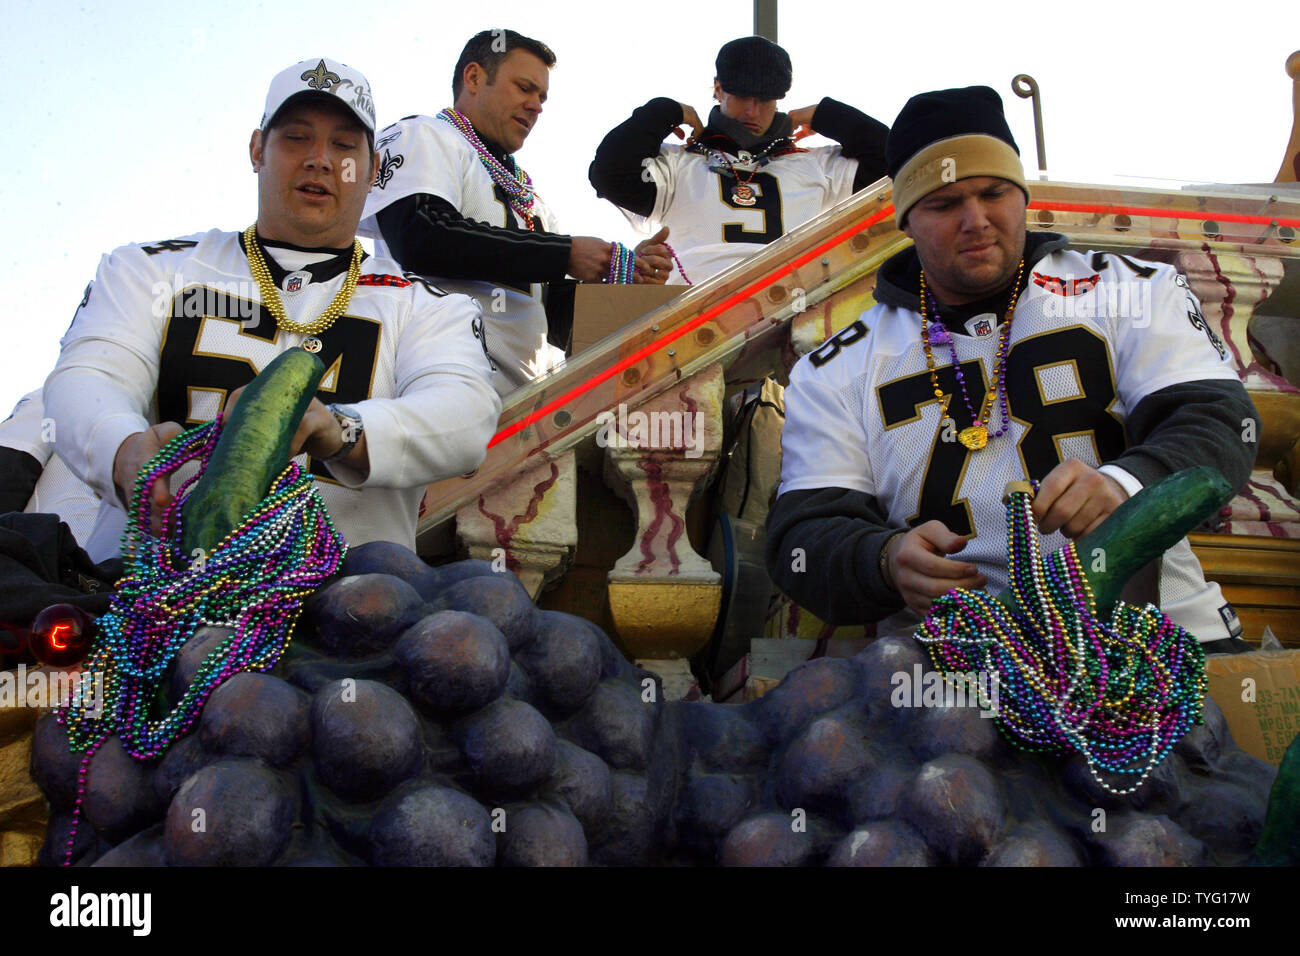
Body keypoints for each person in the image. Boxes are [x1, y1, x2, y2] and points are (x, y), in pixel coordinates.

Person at [766, 85, 1256, 652]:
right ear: (904, 221)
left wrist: (1126, 485)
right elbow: (802, 537)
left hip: (1163, 639)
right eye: (944, 204)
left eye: (994, 193)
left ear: (1024, 196)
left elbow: (1221, 423)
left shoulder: (1131, 291)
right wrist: (883, 560)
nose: (975, 220)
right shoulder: (835, 367)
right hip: (957, 666)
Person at [43, 57, 500, 562]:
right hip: (152, 595)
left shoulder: (430, 307)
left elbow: (464, 415)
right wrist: (121, 448)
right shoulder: (146, 269)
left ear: (372, 172)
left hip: (349, 612)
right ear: (257, 149)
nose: (321, 160)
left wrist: (339, 430)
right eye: (296, 138)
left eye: (345, 146)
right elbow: (89, 374)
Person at [358, 29, 672, 396]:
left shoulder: (530, 196)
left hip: (524, 408)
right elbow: (421, 236)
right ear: (473, 77)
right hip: (436, 395)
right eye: (524, 88)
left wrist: (621, 276)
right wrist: (566, 253)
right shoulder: (424, 135)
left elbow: (547, 311)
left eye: (542, 97)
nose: (536, 105)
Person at [588, 35, 890, 285]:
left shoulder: (816, 164)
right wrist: (664, 111)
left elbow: (896, 162)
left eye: (766, 99)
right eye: (742, 96)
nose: (752, 111)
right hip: (690, 325)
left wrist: (827, 115)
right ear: (718, 89)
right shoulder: (678, 163)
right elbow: (609, 173)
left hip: (792, 317)